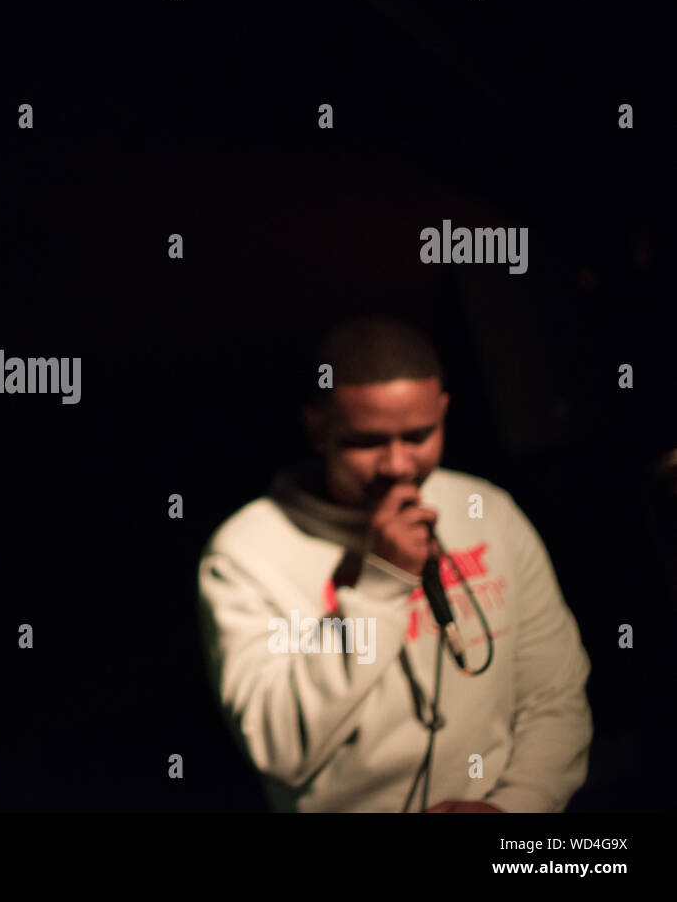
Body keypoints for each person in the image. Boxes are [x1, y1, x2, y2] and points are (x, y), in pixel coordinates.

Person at [198, 315, 592, 812]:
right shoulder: (247, 552)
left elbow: (554, 695)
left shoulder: (487, 510)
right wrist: (381, 587)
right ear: (318, 429)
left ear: (444, 411)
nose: (398, 464)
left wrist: (515, 805)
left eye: (418, 435)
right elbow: (280, 744)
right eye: (367, 442)